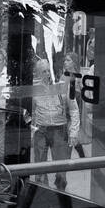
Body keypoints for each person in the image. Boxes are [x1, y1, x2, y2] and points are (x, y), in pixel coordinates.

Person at [25, 55, 76, 193]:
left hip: (59, 129)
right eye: (44, 71)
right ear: (37, 74)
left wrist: (74, 132)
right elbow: (27, 112)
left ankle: (60, 194)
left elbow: (74, 109)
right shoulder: (34, 90)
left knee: (61, 168)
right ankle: (42, 196)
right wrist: (32, 127)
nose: (47, 74)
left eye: (48, 70)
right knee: (40, 168)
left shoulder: (62, 87)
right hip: (41, 130)